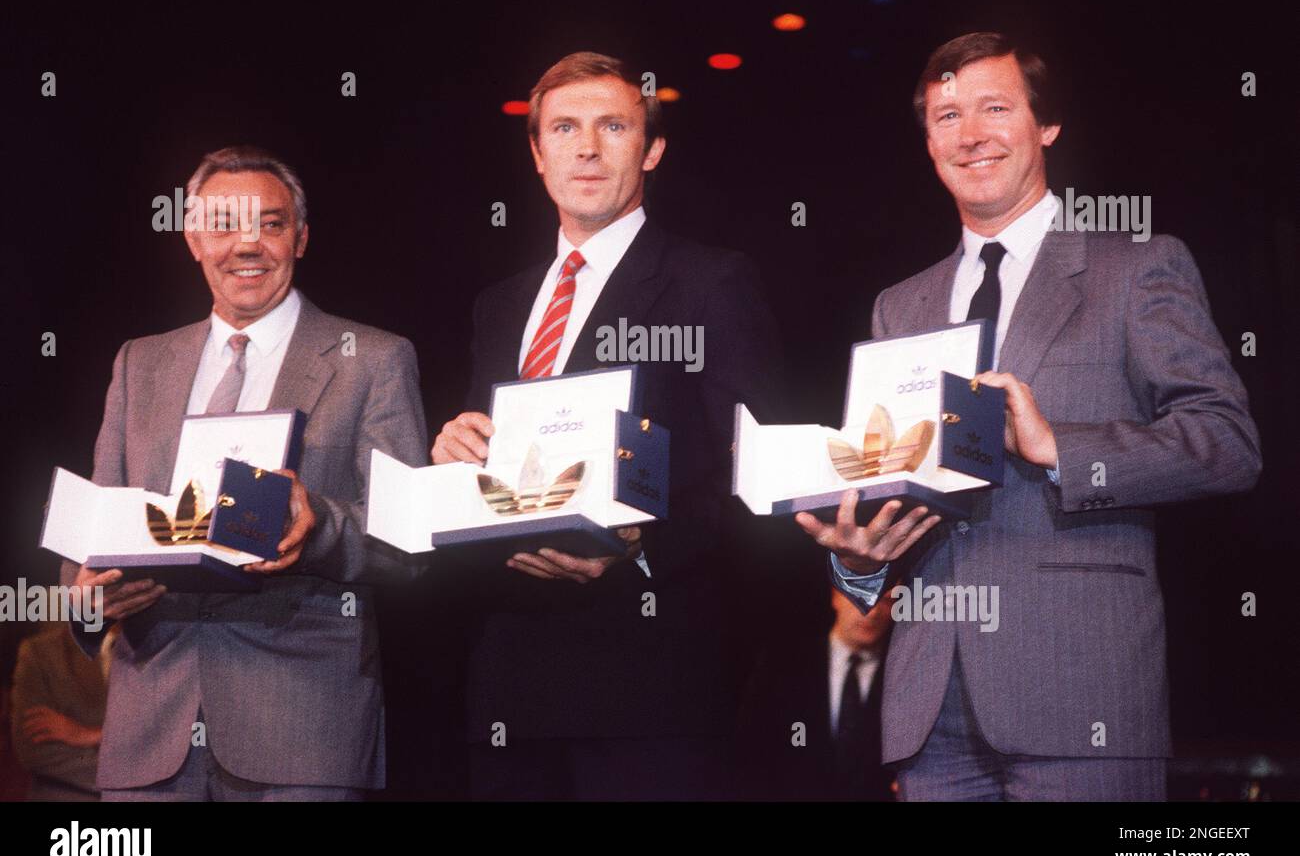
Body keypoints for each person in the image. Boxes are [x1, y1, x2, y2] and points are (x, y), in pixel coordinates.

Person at [796, 32, 1261, 800]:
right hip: (929, 711)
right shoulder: (899, 305)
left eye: (994, 108)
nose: (970, 133)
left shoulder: (1137, 264)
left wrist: (1061, 448)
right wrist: (859, 558)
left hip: (1081, 696)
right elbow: (891, 490)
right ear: (928, 141)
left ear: (1046, 127)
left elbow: (1228, 442)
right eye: (947, 116)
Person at [432, 51, 784, 799]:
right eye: (564, 127)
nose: (586, 147)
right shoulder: (499, 304)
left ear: (651, 149)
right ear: (536, 153)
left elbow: (757, 473)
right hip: (508, 686)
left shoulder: (712, 281)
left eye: (612, 125)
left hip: (648, 689)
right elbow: (496, 474)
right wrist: (454, 455)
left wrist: (641, 546)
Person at [61, 145, 429, 800]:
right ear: (193, 238)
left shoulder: (373, 360)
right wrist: (89, 597)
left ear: (302, 237)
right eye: (224, 224)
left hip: (302, 728)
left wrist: (317, 527)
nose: (247, 244)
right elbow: (94, 527)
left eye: (271, 223)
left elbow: (409, 545)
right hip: (149, 730)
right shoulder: (138, 363)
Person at [737, 586, 897, 801]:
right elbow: (751, 751)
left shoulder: (904, 677)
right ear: (836, 595)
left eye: (886, 600)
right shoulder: (784, 666)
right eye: (861, 597)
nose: (873, 611)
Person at [10, 621, 115, 801]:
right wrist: (144, 775)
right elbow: (37, 750)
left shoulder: (167, 653)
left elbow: (173, 742)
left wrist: (92, 734)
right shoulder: (41, 653)